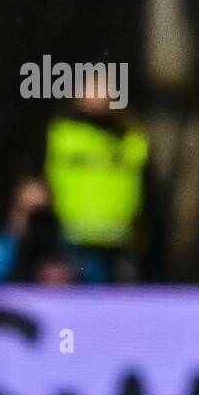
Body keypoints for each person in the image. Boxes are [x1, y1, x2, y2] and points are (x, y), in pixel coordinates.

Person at [43, 76, 155, 281]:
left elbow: (148, 190)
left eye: (106, 89)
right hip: (72, 237)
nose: (100, 96)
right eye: (94, 89)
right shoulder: (62, 131)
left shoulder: (132, 136)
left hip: (120, 240)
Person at [0, 176, 107, 286]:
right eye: (27, 212)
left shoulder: (69, 252)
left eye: (41, 215)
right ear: (12, 211)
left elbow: (100, 282)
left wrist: (74, 272)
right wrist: (18, 260)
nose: (34, 222)